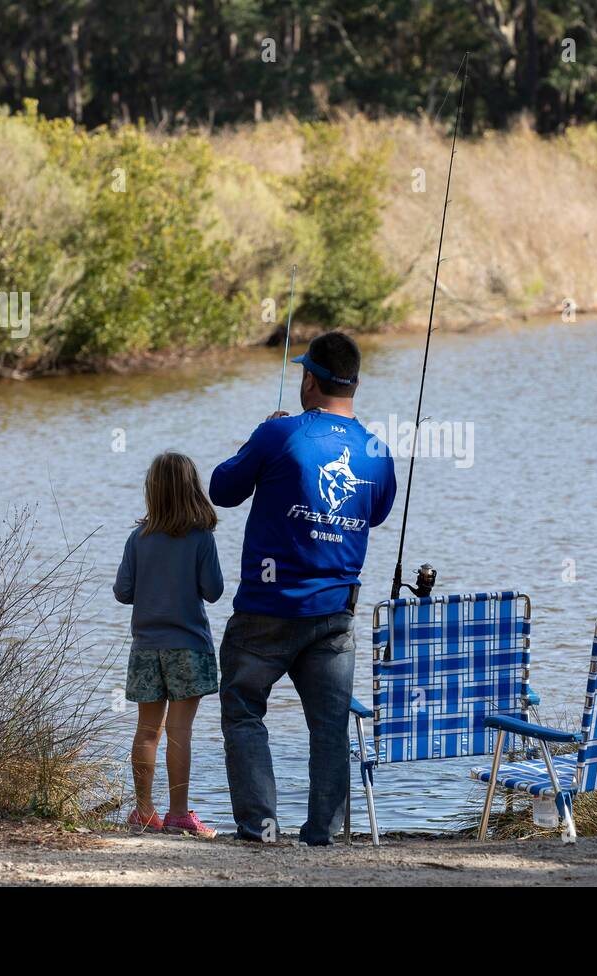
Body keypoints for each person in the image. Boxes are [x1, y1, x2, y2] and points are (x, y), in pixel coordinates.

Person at [210, 331, 397, 845]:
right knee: (329, 727)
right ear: (354, 382)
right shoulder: (378, 450)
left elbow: (221, 490)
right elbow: (376, 513)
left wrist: (259, 438)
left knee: (245, 711)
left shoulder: (278, 436)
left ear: (309, 379)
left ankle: (260, 829)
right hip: (336, 613)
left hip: (265, 611)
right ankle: (321, 835)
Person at [114, 451, 224, 838]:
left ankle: (144, 811)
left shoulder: (137, 539)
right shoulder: (201, 539)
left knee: (147, 731)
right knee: (180, 733)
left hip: (146, 648)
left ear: (152, 491)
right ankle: (178, 814)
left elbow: (123, 592)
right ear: (192, 490)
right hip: (188, 648)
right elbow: (214, 591)